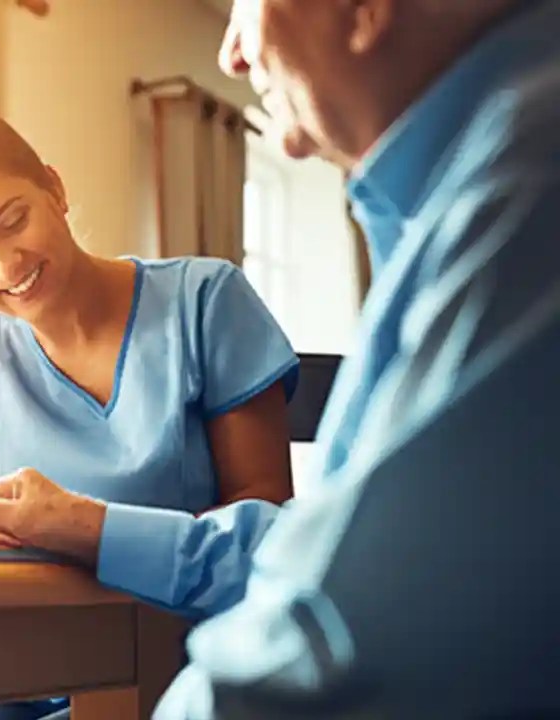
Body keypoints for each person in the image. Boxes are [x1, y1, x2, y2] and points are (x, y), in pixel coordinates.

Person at [144, 0, 560, 717]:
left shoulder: (529, 182)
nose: (233, 56)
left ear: (363, 10)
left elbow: (338, 650)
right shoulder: (457, 190)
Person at [0, 109, 299, 720]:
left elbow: (266, 532)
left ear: (55, 188)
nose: (5, 267)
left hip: (179, 668)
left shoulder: (204, 302)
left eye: (13, 221)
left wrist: (85, 529)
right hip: (28, 678)